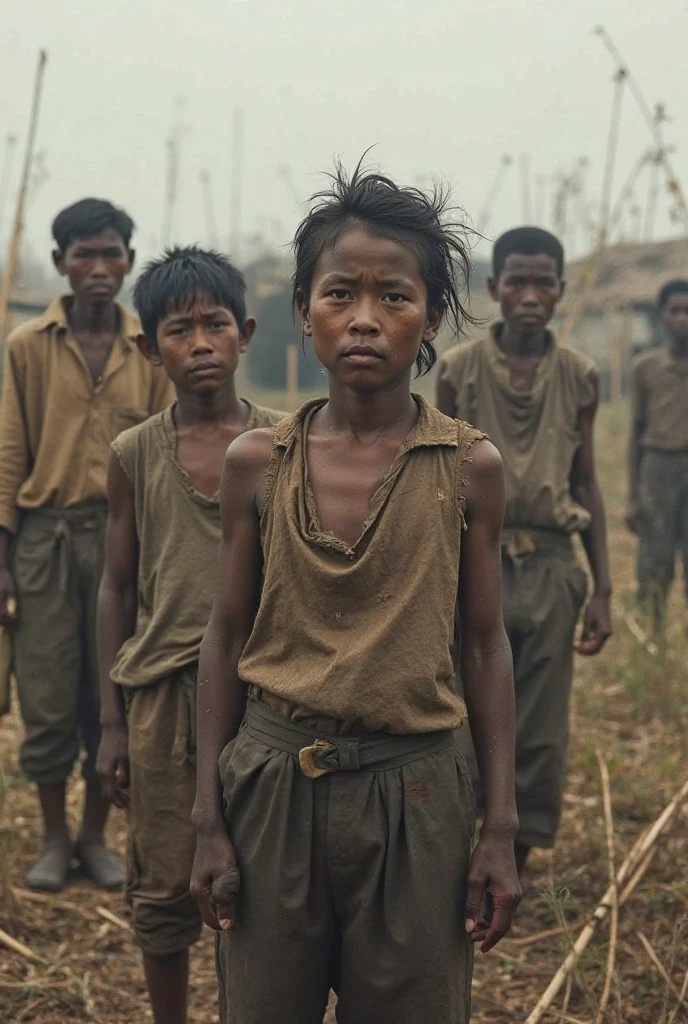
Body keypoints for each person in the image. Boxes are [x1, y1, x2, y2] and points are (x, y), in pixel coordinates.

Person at [191, 165, 521, 1024]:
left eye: (396, 297)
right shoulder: (257, 464)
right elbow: (224, 641)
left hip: (417, 792)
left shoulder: (468, 468)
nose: (366, 318)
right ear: (305, 310)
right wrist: (207, 818)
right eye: (341, 293)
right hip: (272, 785)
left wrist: (498, 828)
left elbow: (484, 646)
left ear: (434, 317)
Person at [96, 246, 284, 1024]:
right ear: (148, 349)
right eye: (179, 329)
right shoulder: (134, 454)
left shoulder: (288, 442)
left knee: (267, 883)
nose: (200, 343)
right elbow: (114, 587)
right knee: (168, 879)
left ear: (243, 332)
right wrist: (109, 721)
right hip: (163, 701)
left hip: (268, 695)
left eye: (214, 325)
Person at [0, 199, 174, 892]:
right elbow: (9, 452)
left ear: (130, 261)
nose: (98, 269)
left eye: (111, 255)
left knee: (111, 693)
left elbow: (165, 452)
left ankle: (97, 838)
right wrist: (4, 560)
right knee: (44, 695)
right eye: (84, 256)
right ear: (60, 264)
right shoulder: (25, 348)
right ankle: (53, 838)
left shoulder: (150, 348)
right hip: (45, 543)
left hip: (124, 543)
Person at [437, 226, 612, 877]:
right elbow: (437, 476)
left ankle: (521, 844)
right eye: (518, 282)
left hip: (552, 564)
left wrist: (602, 589)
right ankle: (456, 840)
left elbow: (586, 480)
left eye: (544, 283)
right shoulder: (458, 370)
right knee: (458, 703)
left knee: (537, 721)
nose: (530, 295)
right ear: (495, 290)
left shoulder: (580, 377)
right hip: (470, 560)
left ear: (561, 292)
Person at [626, 279, 688, 629]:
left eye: (687, 311)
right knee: (654, 557)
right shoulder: (645, 368)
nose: (682, 318)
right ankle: (651, 635)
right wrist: (634, 496)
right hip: (658, 468)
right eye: (674, 311)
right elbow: (635, 431)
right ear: (662, 316)